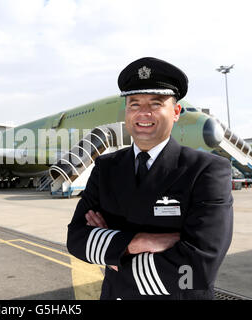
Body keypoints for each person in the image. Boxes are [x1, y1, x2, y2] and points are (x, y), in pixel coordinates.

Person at [66, 57, 233, 300]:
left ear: (175, 112)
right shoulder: (106, 167)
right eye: (134, 104)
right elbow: (77, 239)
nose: (143, 113)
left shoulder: (207, 170)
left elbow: (196, 268)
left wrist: (114, 251)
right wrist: (138, 242)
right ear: (126, 112)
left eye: (156, 103)